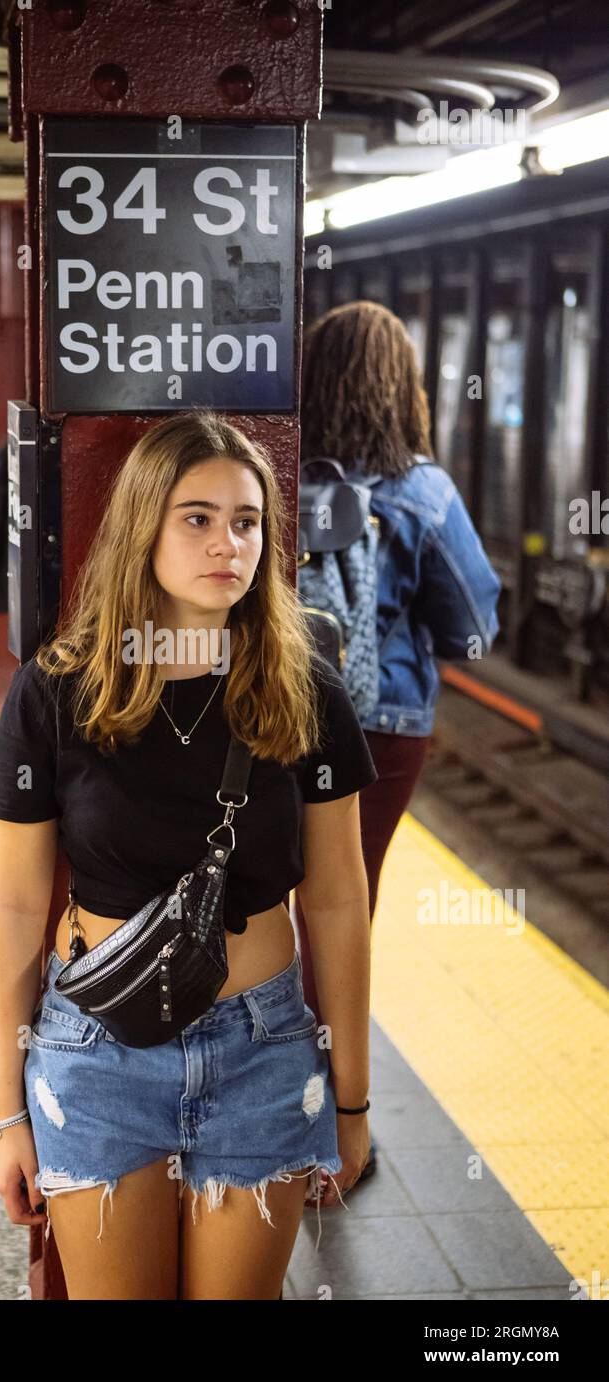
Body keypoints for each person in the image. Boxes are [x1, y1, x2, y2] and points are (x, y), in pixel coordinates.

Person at [0, 410, 380, 1300]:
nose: (227, 544)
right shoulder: (58, 689)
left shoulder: (304, 685)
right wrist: (5, 1111)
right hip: (98, 1056)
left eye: (246, 522)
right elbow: (13, 905)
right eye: (195, 518)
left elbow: (339, 901)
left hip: (263, 1049)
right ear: (142, 526)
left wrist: (351, 1101)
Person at [299, 301, 501, 928]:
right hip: (381, 723)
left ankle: (262, 1018)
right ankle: (333, 1023)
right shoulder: (422, 492)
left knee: (268, 889)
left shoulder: (271, 469)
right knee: (347, 894)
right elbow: (471, 631)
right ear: (402, 387)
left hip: (274, 707)